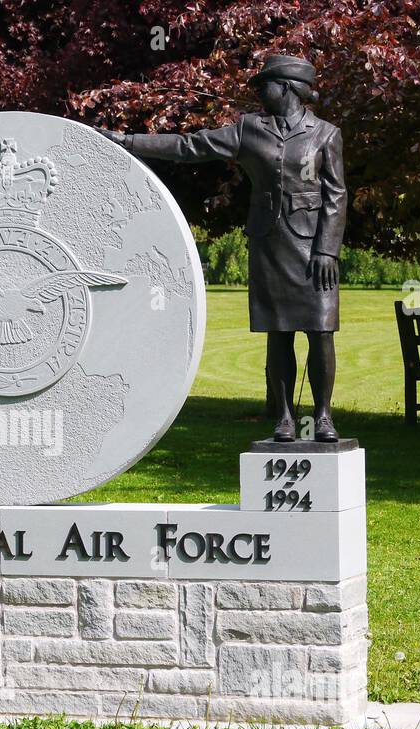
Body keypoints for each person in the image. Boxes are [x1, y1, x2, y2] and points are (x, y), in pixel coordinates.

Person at [101, 54, 347, 441]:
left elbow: (336, 196)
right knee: (278, 332)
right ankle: (283, 417)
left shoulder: (325, 135)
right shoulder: (250, 130)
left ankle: (323, 416)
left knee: (321, 331)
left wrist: (327, 250)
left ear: (284, 87)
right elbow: (189, 146)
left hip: (315, 252)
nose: (257, 91)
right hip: (270, 245)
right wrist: (128, 141)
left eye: (263, 84)